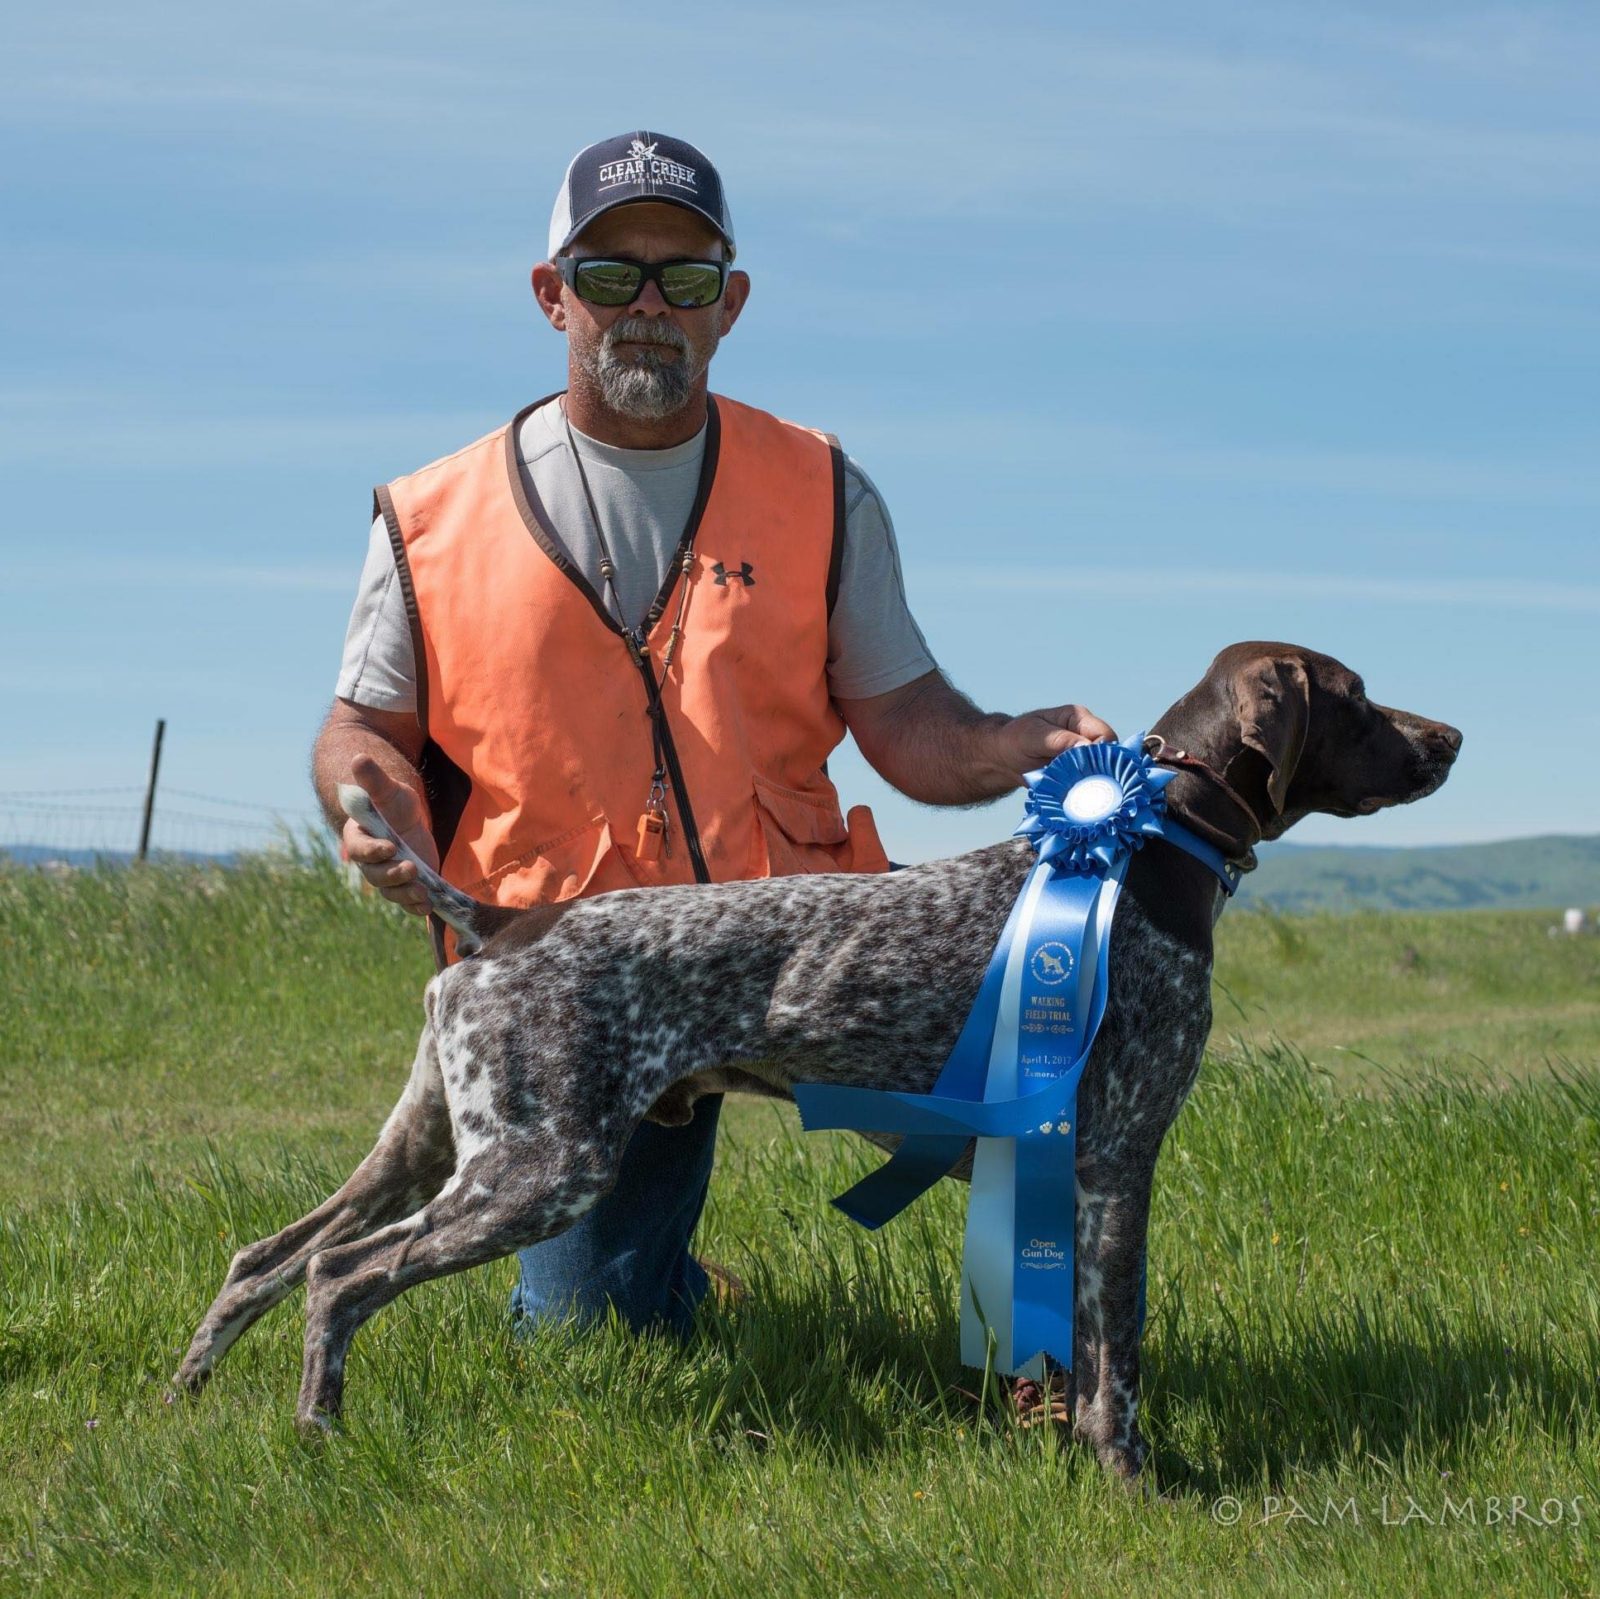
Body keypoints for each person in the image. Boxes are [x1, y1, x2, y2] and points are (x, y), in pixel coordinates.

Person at [312, 130, 1115, 1341]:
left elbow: (903, 722)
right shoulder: (429, 514)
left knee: (1034, 1128)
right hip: (590, 981)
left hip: (816, 954)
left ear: (729, 306)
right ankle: (669, 1281)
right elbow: (363, 731)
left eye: (684, 279)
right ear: (551, 297)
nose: (647, 306)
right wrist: (372, 811)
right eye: (608, 275)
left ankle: (1041, 1371)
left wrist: (1016, 746)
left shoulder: (820, 485)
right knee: (593, 1339)